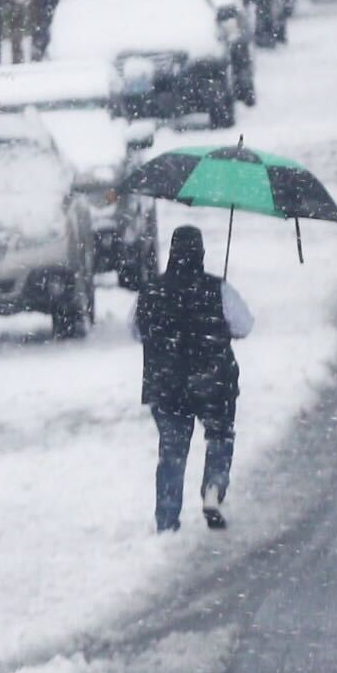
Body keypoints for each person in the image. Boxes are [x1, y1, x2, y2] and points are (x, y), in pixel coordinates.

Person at [136, 224, 252, 531]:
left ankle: (167, 519)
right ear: (200, 253)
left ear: (172, 252)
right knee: (219, 435)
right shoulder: (217, 289)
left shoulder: (151, 291)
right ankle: (213, 489)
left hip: (166, 383)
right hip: (212, 380)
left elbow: (136, 330)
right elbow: (244, 325)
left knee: (172, 452)